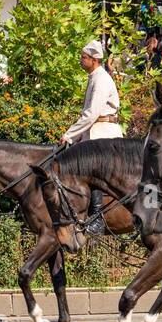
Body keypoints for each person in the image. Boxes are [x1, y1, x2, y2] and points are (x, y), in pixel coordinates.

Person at [60, 40, 124, 234]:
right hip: (95, 131)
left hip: (104, 132)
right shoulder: (94, 77)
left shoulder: (102, 79)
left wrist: (70, 135)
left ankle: (97, 218)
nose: (81, 60)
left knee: (93, 170)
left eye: (84, 57)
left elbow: (91, 114)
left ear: (95, 60)